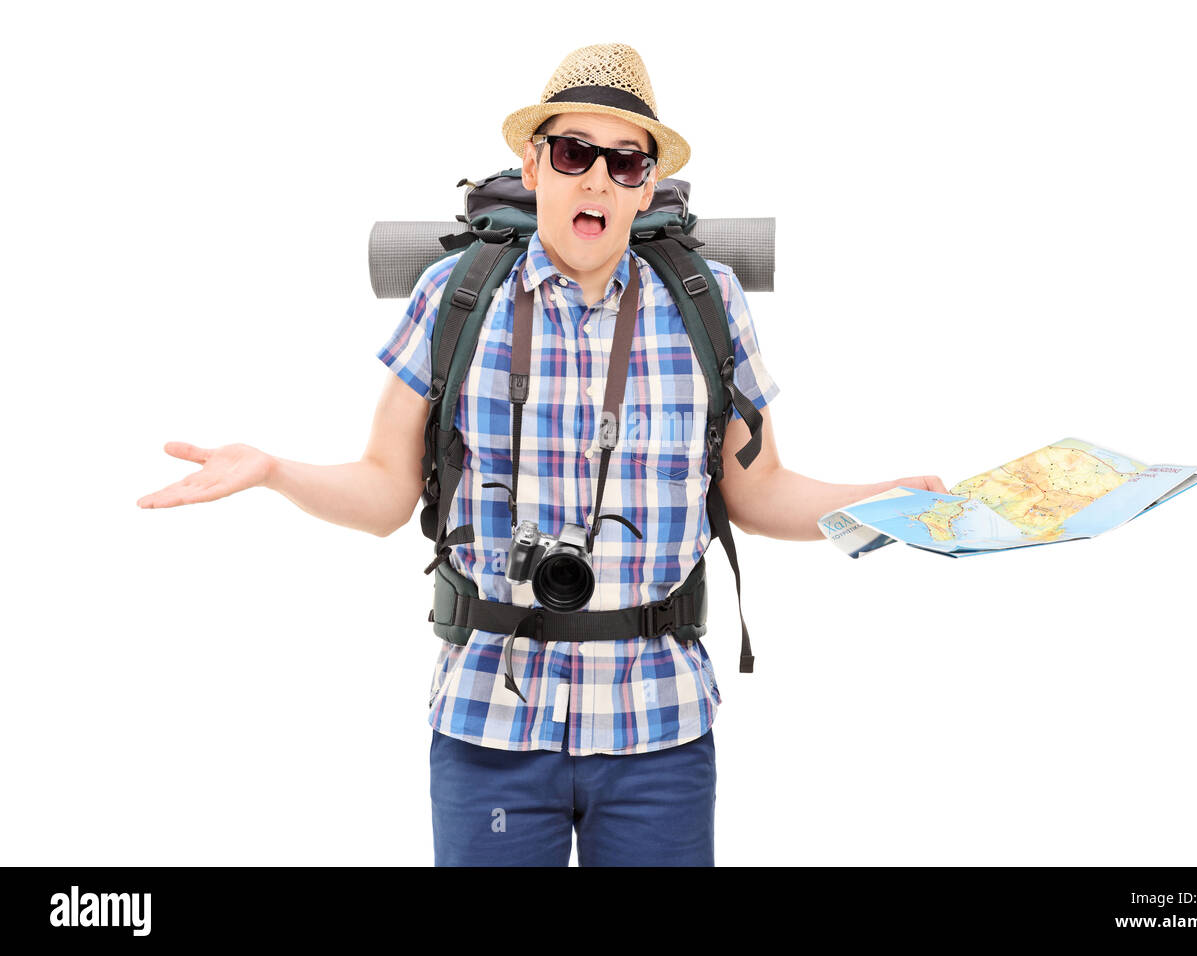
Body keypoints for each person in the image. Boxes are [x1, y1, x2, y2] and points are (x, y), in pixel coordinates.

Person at [137, 42, 949, 866]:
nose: (597, 178)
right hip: (488, 727)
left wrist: (884, 503)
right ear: (534, 167)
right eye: (573, 153)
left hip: (658, 731)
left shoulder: (710, 301)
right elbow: (384, 489)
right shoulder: (457, 295)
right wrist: (274, 471)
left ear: (646, 186)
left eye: (625, 162)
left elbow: (759, 488)